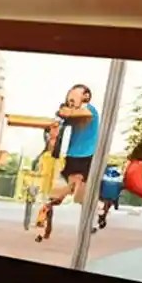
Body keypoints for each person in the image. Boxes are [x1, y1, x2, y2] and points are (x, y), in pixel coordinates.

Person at [36, 84, 100, 235]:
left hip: (87, 156)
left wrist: (64, 111)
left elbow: (71, 113)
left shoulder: (89, 110)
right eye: (69, 97)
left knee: (81, 193)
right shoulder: (73, 113)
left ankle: (90, 219)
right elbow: (60, 118)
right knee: (62, 192)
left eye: (74, 96)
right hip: (73, 156)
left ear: (86, 96)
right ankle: (48, 214)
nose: (70, 100)